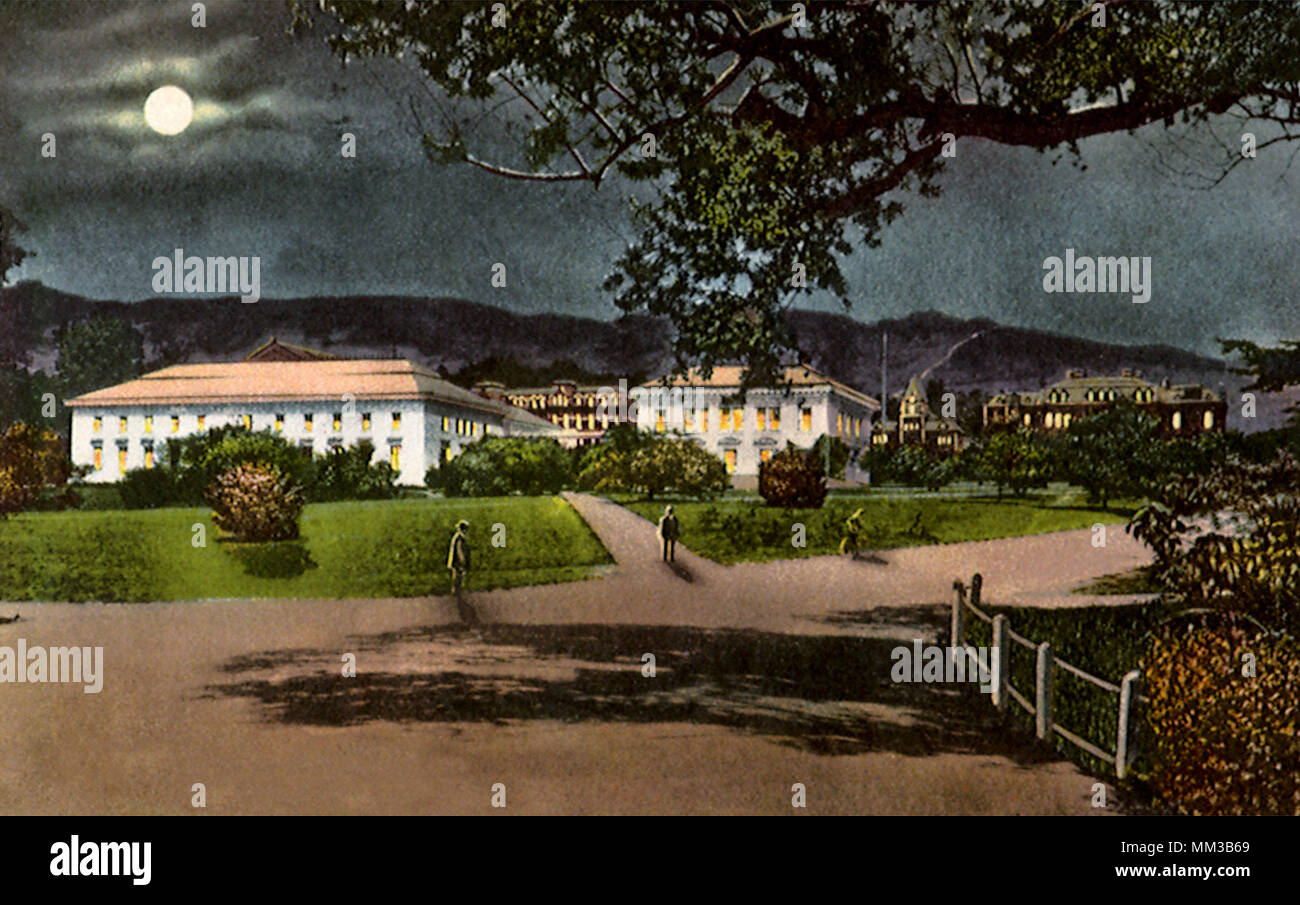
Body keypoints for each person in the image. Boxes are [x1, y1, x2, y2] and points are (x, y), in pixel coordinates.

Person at [447, 519, 470, 594]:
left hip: (455, 560)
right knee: (458, 575)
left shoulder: (457, 537)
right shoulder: (459, 538)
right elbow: (459, 549)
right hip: (457, 561)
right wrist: (462, 559)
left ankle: (456, 590)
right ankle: (457, 590)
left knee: (458, 575)